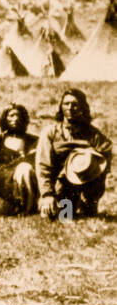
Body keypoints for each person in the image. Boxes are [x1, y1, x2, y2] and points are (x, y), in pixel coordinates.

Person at [36, 89, 112, 220]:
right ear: (61, 106)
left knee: (86, 217)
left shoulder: (93, 134)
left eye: (75, 104)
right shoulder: (50, 132)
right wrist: (47, 194)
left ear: (82, 107)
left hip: (84, 185)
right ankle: (53, 205)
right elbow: (43, 166)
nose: (70, 108)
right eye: (66, 103)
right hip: (58, 187)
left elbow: (105, 153)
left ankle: (86, 204)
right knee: (63, 216)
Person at [0, 104, 39, 216]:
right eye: (11, 115)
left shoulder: (33, 140)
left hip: (26, 182)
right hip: (5, 185)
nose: (15, 118)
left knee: (25, 168)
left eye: (18, 115)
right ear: (5, 119)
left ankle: (27, 208)